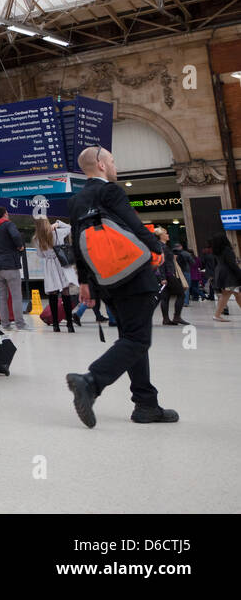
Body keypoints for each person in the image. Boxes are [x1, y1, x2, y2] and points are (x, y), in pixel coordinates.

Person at [65, 146, 178, 428]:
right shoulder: (111, 191)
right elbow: (134, 224)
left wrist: (84, 282)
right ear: (101, 165)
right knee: (139, 340)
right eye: (113, 161)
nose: (115, 166)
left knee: (131, 339)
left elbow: (77, 244)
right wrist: (157, 247)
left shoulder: (78, 199)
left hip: (105, 280)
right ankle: (91, 382)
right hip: (134, 275)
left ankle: (146, 405)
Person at [0, 207, 30, 331]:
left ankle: (5, 324)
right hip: (10, 265)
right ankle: (20, 324)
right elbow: (16, 236)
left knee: (1, 296)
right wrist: (20, 247)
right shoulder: (8, 225)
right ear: (5, 214)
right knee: (16, 295)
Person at [37, 216, 77, 333]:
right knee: (66, 292)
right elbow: (70, 228)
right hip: (60, 263)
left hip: (49, 265)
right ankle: (70, 324)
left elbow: (40, 255)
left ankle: (55, 325)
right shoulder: (56, 231)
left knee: (52, 294)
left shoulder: (37, 238)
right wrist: (58, 223)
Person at [154, 228, 188, 326]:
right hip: (168, 275)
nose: (168, 235)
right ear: (160, 236)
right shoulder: (162, 247)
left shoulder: (161, 246)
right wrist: (163, 278)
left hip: (164, 274)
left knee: (165, 297)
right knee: (181, 294)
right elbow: (161, 263)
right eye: (165, 233)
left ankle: (166, 319)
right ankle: (177, 317)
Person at [208, 232, 241, 322]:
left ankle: (217, 315)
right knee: (227, 294)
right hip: (229, 274)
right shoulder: (227, 250)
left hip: (220, 273)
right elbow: (232, 264)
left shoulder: (216, 251)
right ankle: (217, 315)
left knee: (236, 294)